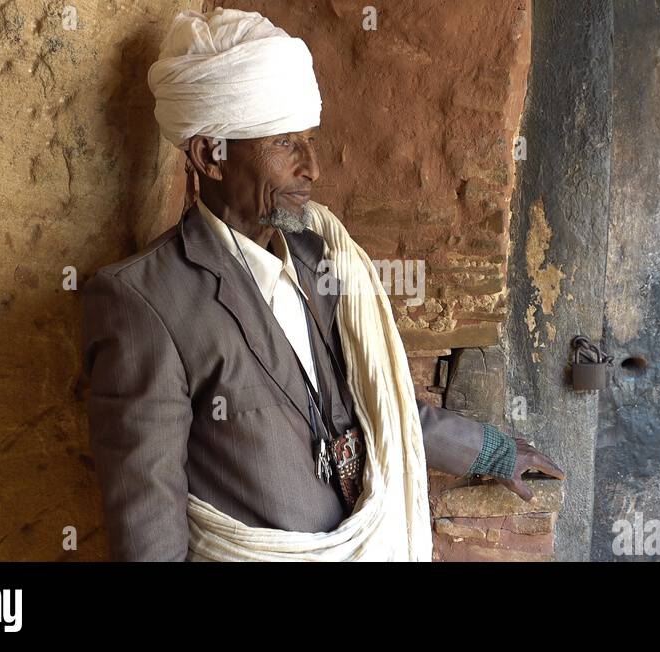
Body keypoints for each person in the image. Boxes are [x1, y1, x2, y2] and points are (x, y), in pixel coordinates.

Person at [81, 7, 564, 561]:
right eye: (284, 143)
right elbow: (147, 529)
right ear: (208, 156)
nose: (311, 166)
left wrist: (488, 450)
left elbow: (375, 405)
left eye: (308, 140)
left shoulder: (318, 259)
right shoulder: (143, 302)